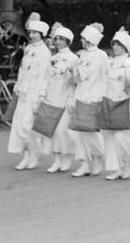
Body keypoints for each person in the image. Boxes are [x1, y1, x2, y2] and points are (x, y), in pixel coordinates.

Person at [7, 13, 51, 170]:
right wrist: (18, 86)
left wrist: (40, 96)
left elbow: (44, 76)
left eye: (35, 33)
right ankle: (25, 155)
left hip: (34, 93)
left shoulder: (45, 52)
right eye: (31, 32)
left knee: (27, 126)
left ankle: (35, 152)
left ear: (42, 35)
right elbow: (22, 70)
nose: (32, 35)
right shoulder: (29, 49)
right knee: (18, 126)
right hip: (23, 92)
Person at [100, 29, 130, 180]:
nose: (116, 47)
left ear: (126, 46)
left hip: (127, 103)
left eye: (119, 44)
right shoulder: (110, 62)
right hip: (110, 102)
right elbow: (104, 82)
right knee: (110, 137)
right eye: (114, 44)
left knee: (124, 138)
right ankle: (116, 167)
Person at [69, 24, 109, 176]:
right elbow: (77, 77)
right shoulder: (81, 55)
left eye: (84, 38)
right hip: (80, 96)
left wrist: (102, 96)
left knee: (92, 132)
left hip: (94, 97)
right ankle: (84, 163)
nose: (81, 41)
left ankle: (98, 156)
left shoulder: (101, 55)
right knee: (78, 133)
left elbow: (106, 76)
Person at [43, 24, 79, 173]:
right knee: (52, 130)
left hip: (65, 97)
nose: (58, 42)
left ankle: (67, 157)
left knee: (62, 130)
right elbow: (46, 78)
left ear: (68, 41)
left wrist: (72, 98)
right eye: (56, 38)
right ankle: (56, 158)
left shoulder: (73, 58)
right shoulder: (52, 58)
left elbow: (76, 81)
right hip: (51, 97)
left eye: (61, 39)